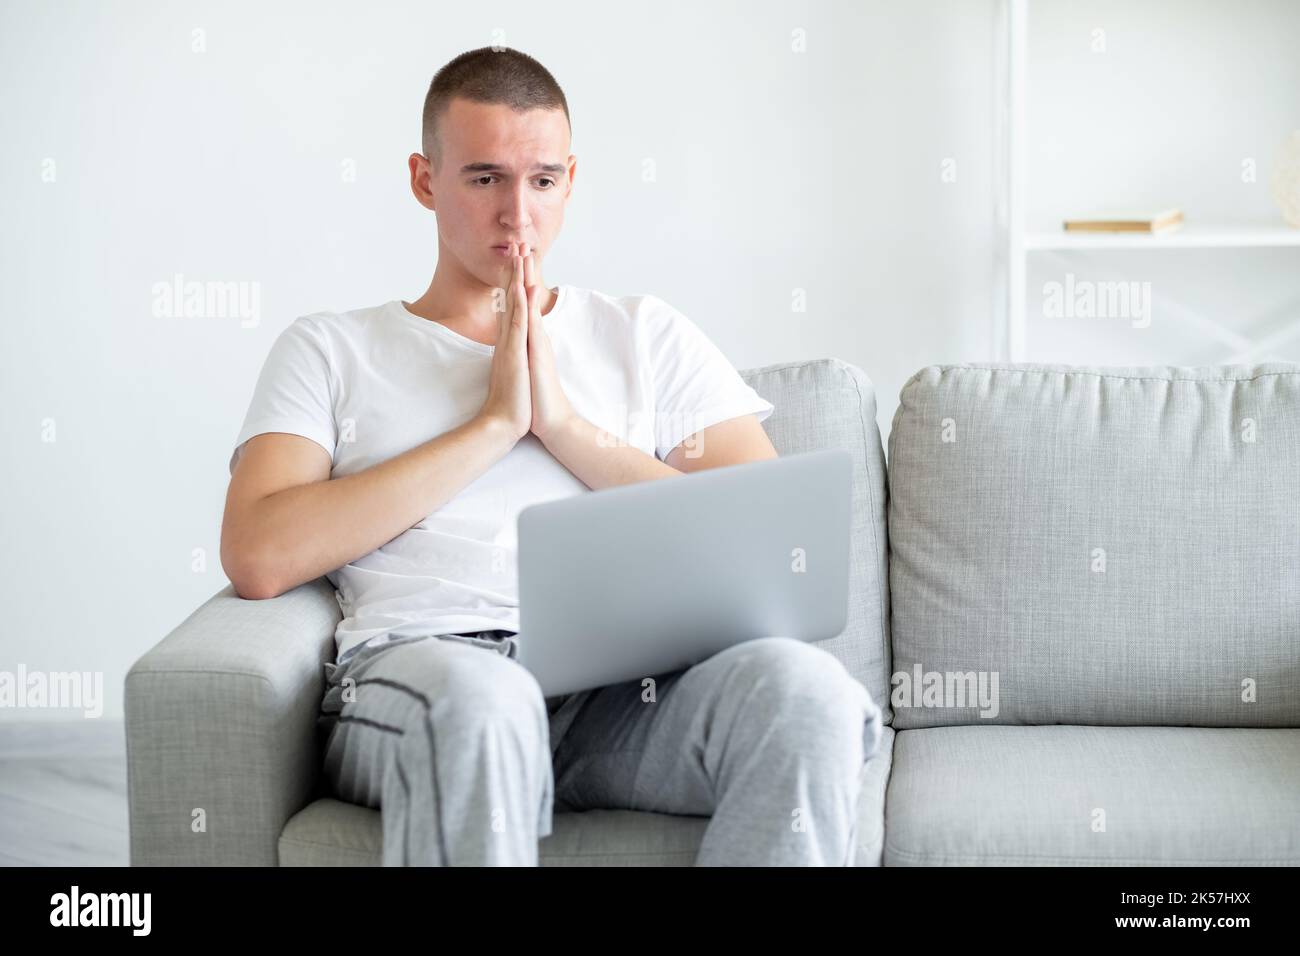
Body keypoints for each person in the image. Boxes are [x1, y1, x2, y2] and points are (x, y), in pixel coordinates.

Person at [221, 46, 884, 866]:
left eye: (540, 181)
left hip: (626, 691)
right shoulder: (331, 348)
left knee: (809, 696)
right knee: (485, 704)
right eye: (484, 178)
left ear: (571, 180)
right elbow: (259, 553)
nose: (517, 215)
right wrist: (492, 426)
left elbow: (771, 548)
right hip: (437, 674)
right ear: (425, 181)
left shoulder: (645, 334)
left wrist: (564, 425)